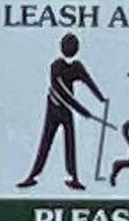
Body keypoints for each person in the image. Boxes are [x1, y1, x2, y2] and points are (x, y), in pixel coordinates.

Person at [21, 33, 111, 189]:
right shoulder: (56, 65)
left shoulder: (77, 67)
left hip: (67, 111)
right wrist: (82, 110)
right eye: (68, 45)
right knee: (46, 141)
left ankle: (74, 177)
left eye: (73, 46)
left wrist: (101, 98)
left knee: (70, 142)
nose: (71, 49)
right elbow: (61, 92)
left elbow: (88, 82)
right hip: (54, 108)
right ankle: (32, 176)